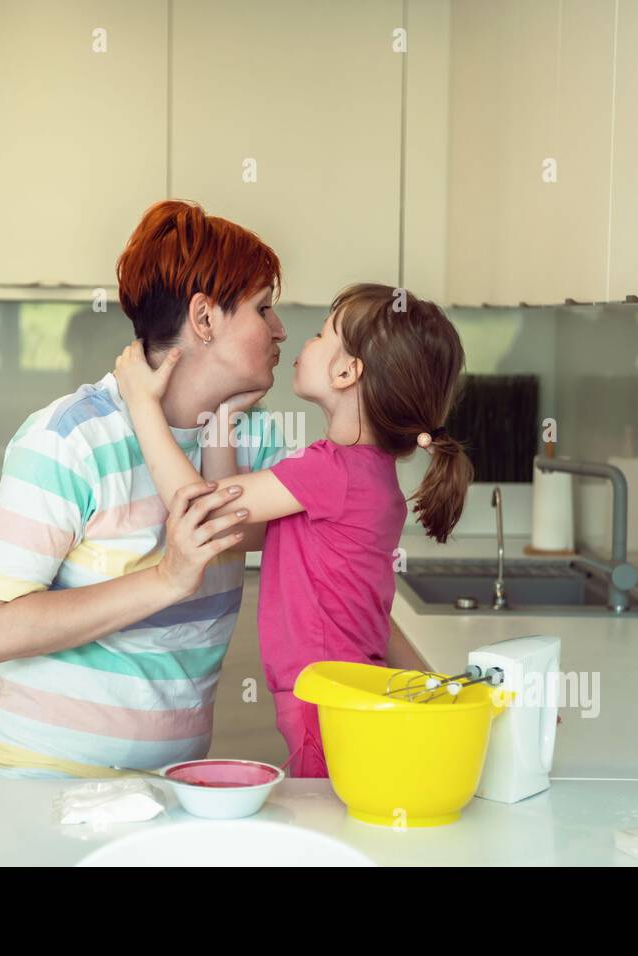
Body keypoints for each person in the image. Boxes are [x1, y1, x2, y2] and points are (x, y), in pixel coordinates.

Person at [0, 200, 289, 779]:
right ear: (205, 318)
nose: (280, 329)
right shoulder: (71, 437)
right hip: (41, 782)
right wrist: (166, 578)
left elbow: (258, 536)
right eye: (264, 309)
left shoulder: (255, 438)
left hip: (171, 784)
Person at [114, 283, 472, 777]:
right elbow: (232, 516)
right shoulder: (367, 473)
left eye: (322, 334)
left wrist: (142, 406)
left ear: (347, 372)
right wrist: (224, 421)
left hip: (326, 701)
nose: (300, 340)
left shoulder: (329, 471)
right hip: (351, 694)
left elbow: (202, 512)